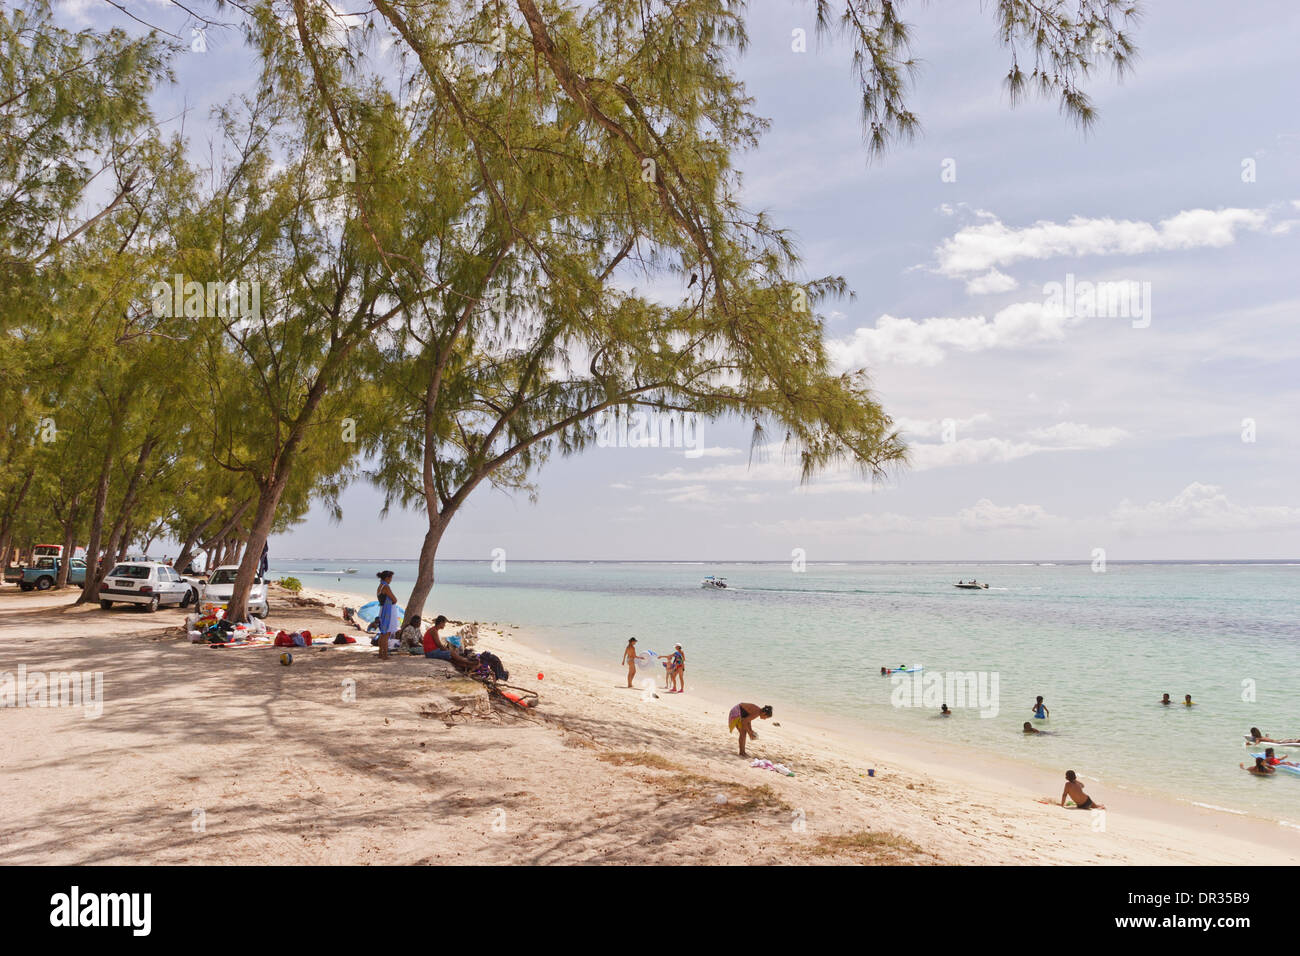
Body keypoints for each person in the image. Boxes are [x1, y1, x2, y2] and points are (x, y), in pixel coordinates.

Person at [375, 570, 399, 659]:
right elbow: (394, 599)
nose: (391, 580)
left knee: (382, 633)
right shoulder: (386, 587)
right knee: (386, 634)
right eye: (390, 578)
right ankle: (384, 655)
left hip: (382, 609)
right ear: (387, 578)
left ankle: (380, 653)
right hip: (388, 611)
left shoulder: (380, 586)